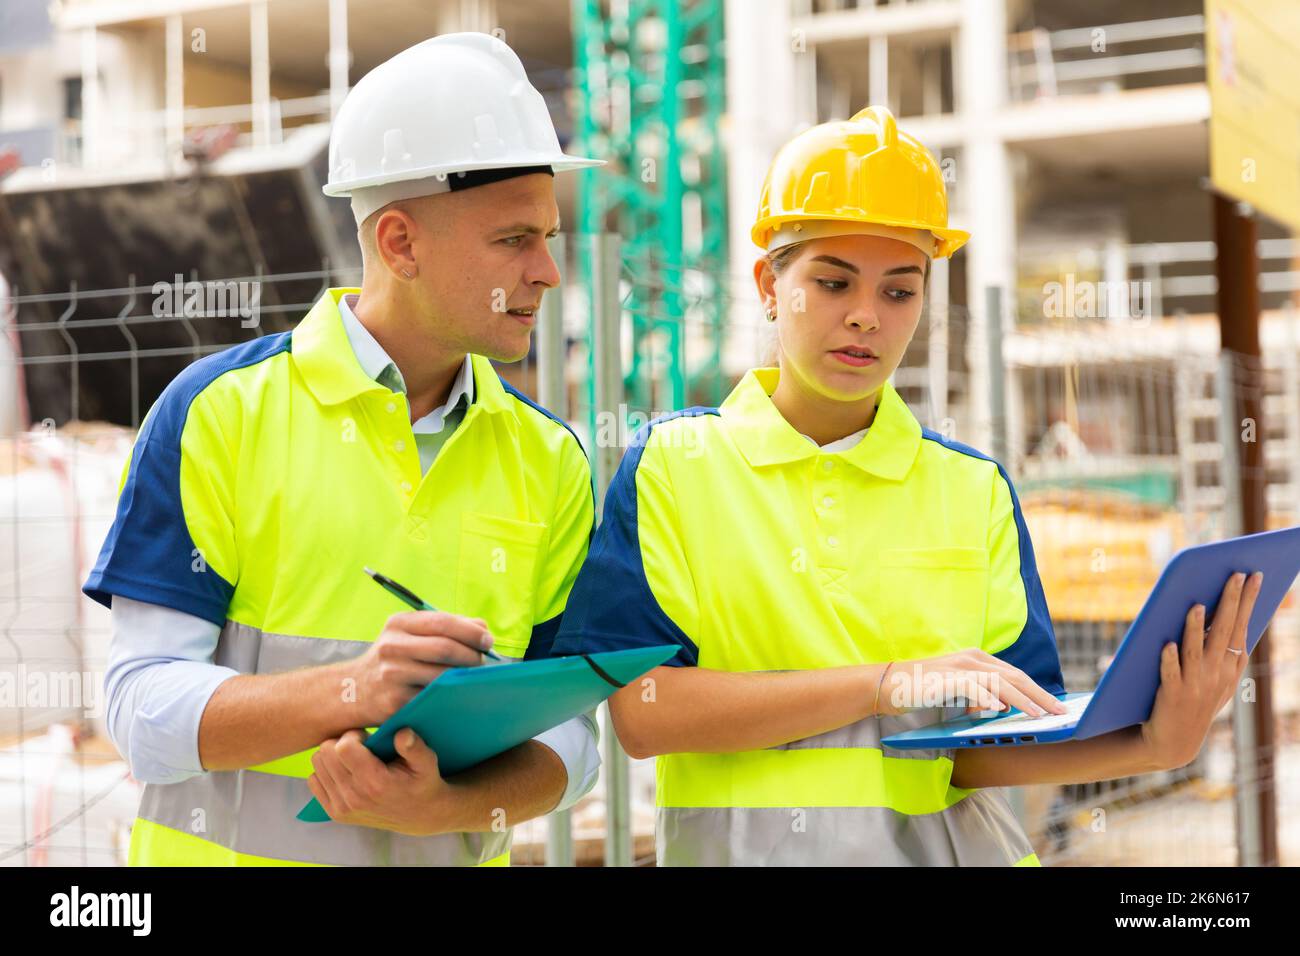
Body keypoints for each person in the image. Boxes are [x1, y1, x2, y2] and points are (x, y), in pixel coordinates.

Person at [551, 105, 1263, 866]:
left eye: (899, 291)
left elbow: (984, 749)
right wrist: (885, 684)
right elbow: (644, 712)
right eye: (832, 282)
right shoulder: (673, 466)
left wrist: (1151, 745)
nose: (866, 317)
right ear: (768, 284)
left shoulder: (975, 489)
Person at [84, 32, 606, 866]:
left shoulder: (551, 461)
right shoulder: (219, 415)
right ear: (399, 243)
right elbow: (140, 712)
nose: (547, 269)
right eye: (514, 240)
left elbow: (574, 741)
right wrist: (352, 690)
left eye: (548, 235)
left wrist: (454, 807)